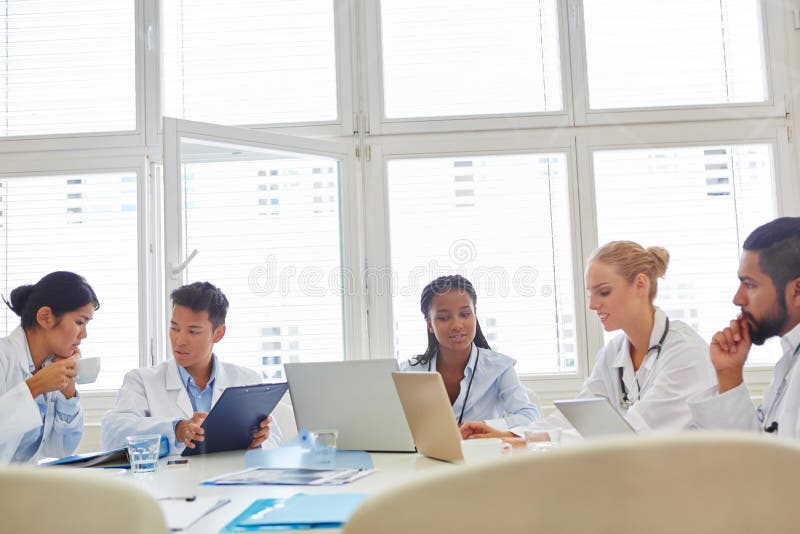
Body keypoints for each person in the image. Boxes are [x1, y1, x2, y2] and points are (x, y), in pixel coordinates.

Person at [462, 241, 714, 441]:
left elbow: (634, 431)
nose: (593, 305)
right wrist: (510, 435)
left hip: (692, 482)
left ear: (640, 284)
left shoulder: (685, 353)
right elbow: (578, 415)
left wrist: (530, 441)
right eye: (590, 294)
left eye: (603, 292)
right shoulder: (613, 352)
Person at [102, 281, 282, 453]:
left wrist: (258, 442)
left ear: (218, 334)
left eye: (193, 331)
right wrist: (177, 430)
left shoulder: (246, 380)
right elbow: (113, 436)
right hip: (167, 484)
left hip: (229, 481)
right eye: (175, 328)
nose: (179, 340)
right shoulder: (141, 381)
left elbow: (274, 440)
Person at [689, 217, 800, 436]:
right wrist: (729, 375)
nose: (737, 299)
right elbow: (756, 454)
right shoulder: (790, 359)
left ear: (797, 291)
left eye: (749, 285)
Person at [399, 275, 540, 432]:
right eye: (444, 318)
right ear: (430, 324)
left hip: (484, 454)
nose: (457, 325)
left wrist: (485, 427)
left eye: (465, 314)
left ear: (475, 315)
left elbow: (529, 416)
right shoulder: (408, 371)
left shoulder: (500, 367)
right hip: (424, 456)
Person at [0, 271, 99, 464]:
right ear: (45, 317)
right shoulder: (4, 357)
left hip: (21, 487)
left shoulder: (52, 365)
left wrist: (68, 391)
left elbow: (61, 449)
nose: (84, 334)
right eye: (79, 322)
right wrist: (35, 386)